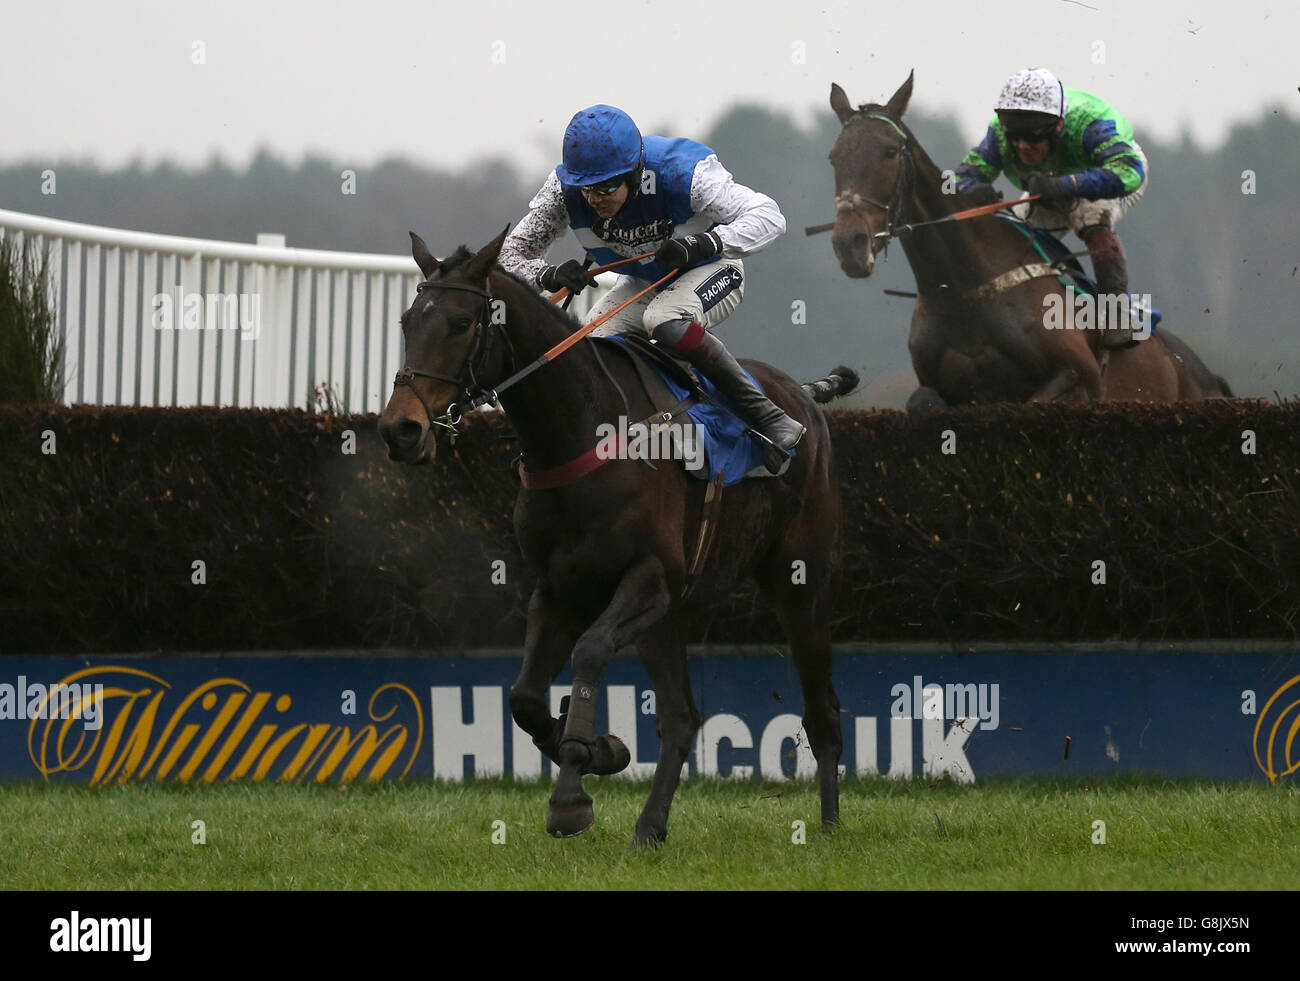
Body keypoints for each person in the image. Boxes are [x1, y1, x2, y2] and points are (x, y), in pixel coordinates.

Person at [499, 104, 802, 472]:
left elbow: (771, 216)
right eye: (585, 188)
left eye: (607, 187)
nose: (594, 199)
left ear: (636, 172)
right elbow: (508, 255)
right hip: (643, 283)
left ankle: (769, 416)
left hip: (715, 269)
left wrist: (703, 244)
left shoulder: (681, 172)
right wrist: (547, 275)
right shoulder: (561, 190)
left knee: (664, 319)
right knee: (591, 354)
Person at [954, 68, 1149, 346]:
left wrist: (1065, 185)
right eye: (1014, 137)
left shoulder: (1090, 123)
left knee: (1090, 215)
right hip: (1048, 189)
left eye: (1032, 137)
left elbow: (1129, 173)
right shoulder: (998, 132)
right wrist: (973, 189)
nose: (1022, 147)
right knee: (1012, 235)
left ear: (1057, 127)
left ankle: (1117, 314)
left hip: (1107, 177)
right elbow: (960, 177)